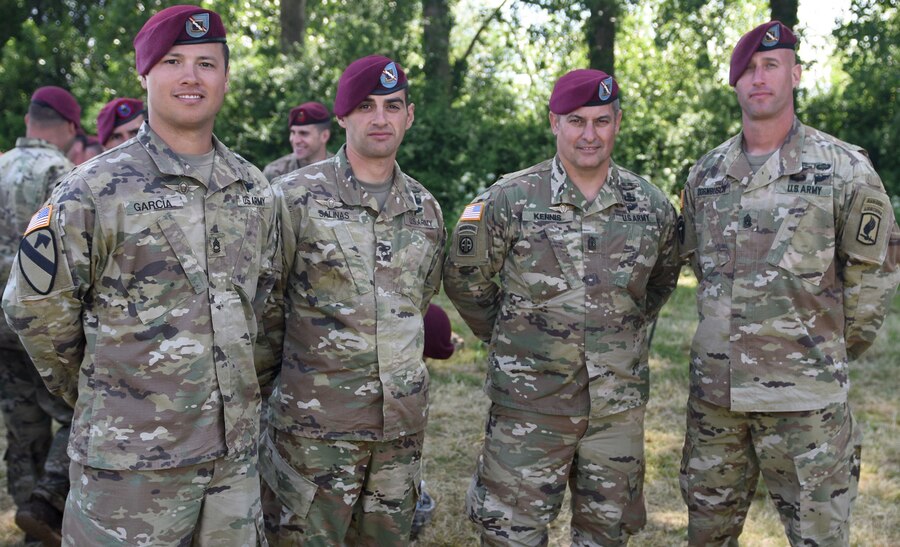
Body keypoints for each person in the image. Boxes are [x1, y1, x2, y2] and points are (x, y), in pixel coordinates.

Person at [2, 5, 282, 545]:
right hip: (128, 473)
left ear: (225, 75)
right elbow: (34, 309)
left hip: (233, 469)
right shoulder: (92, 188)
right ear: (145, 74)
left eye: (206, 62)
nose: (190, 76)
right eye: (173, 61)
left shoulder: (252, 189)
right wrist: (104, 393)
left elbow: (264, 310)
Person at [678, 20, 900, 546]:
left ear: (795, 74)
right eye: (748, 69)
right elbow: (700, 268)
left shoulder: (845, 170)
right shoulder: (706, 175)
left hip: (807, 403)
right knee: (707, 534)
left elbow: (873, 279)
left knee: (819, 537)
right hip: (718, 399)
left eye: (771, 66)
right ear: (734, 82)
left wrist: (821, 353)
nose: (759, 78)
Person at [444, 69, 680, 545]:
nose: (589, 135)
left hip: (615, 409)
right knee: (512, 533)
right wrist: (507, 336)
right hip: (530, 406)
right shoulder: (510, 200)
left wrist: (615, 334)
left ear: (617, 123)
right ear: (554, 123)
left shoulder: (650, 206)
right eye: (576, 121)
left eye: (601, 121)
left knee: (607, 533)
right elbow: (464, 277)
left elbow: (660, 283)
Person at [261, 54, 446, 546]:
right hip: (315, 434)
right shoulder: (292, 198)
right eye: (366, 106)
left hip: (399, 432)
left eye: (393, 105)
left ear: (409, 115)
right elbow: (263, 309)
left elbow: (417, 301)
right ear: (341, 117)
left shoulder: (425, 208)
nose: (380, 118)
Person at [0, 85, 81, 546]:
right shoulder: (61, 173)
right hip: (41, 328)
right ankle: (46, 502)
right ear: (69, 127)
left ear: (29, 120)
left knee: (22, 424)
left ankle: (30, 523)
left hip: (0, 328)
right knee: (75, 414)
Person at [262, 101, 332, 181]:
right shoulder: (275, 173)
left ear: (324, 136)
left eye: (304, 133)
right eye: (293, 132)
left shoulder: (341, 171)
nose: (296, 140)